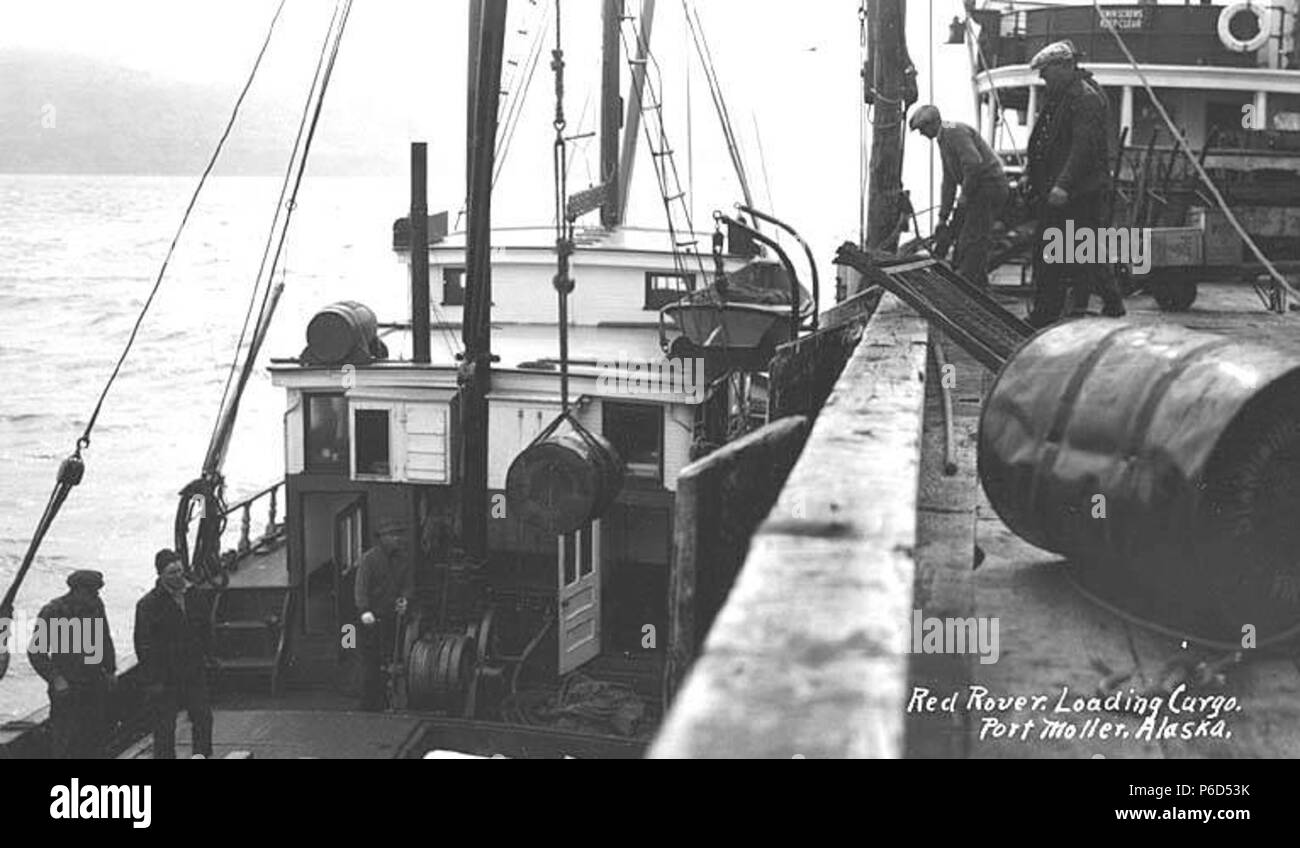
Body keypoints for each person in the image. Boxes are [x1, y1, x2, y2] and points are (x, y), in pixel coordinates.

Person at [1025, 40, 1127, 327]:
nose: (1042, 78)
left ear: (1064, 67)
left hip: (1079, 193)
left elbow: (1083, 148)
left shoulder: (1085, 98)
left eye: (1045, 72)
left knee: (1070, 252)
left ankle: (1048, 313)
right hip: (1063, 190)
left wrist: (1063, 185)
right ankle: (1103, 302)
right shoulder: (1061, 98)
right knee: (1072, 251)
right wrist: (1030, 174)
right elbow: (1044, 142)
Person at [909, 104, 1010, 289]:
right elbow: (949, 180)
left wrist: (964, 196)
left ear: (933, 124)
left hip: (989, 187)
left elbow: (973, 163)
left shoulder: (954, 131)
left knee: (972, 238)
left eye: (922, 129)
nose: (921, 134)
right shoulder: (944, 137)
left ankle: (966, 286)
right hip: (977, 190)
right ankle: (979, 285)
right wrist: (942, 217)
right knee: (966, 235)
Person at [28, 570, 117, 758]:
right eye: (92, 592)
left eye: (97, 592)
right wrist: (55, 678)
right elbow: (36, 652)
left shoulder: (95, 606)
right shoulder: (52, 612)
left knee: (95, 738)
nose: (96, 596)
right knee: (64, 740)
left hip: (93, 682)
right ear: (78, 590)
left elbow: (104, 639)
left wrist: (110, 670)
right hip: (67, 686)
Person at [135, 549, 213, 759]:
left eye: (180, 570)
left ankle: (202, 756)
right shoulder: (148, 605)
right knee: (164, 726)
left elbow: (206, 628)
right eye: (172, 572)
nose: (178, 576)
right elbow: (143, 645)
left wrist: (209, 657)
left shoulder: (194, 594)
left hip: (193, 670)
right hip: (166, 675)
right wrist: (153, 680)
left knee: (203, 717)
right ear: (160, 575)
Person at [354, 518, 413, 711]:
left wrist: (405, 599)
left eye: (399, 535)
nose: (398, 539)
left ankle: (388, 701)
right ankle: (368, 706)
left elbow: (407, 585)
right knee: (370, 664)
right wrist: (364, 611)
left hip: (392, 618)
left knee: (391, 659)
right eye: (393, 535)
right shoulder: (369, 559)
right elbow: (361, 588)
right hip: (370, 619)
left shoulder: (403, 560)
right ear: (383, 539)